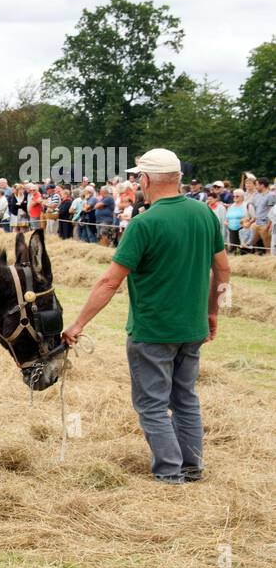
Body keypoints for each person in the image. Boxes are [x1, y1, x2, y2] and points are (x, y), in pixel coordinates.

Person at [61, 149, 229, 484]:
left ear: (147, 179)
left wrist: (78, 324)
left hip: (153, 330)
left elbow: (110, 280)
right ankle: (192, 466)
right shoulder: (204, 214)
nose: (137, 182)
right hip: (192, 327)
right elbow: (223, 269)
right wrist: (212, 312)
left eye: (138, 177)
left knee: (152, 405)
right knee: (185, 399)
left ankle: (169, 473)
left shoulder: (144, 223)